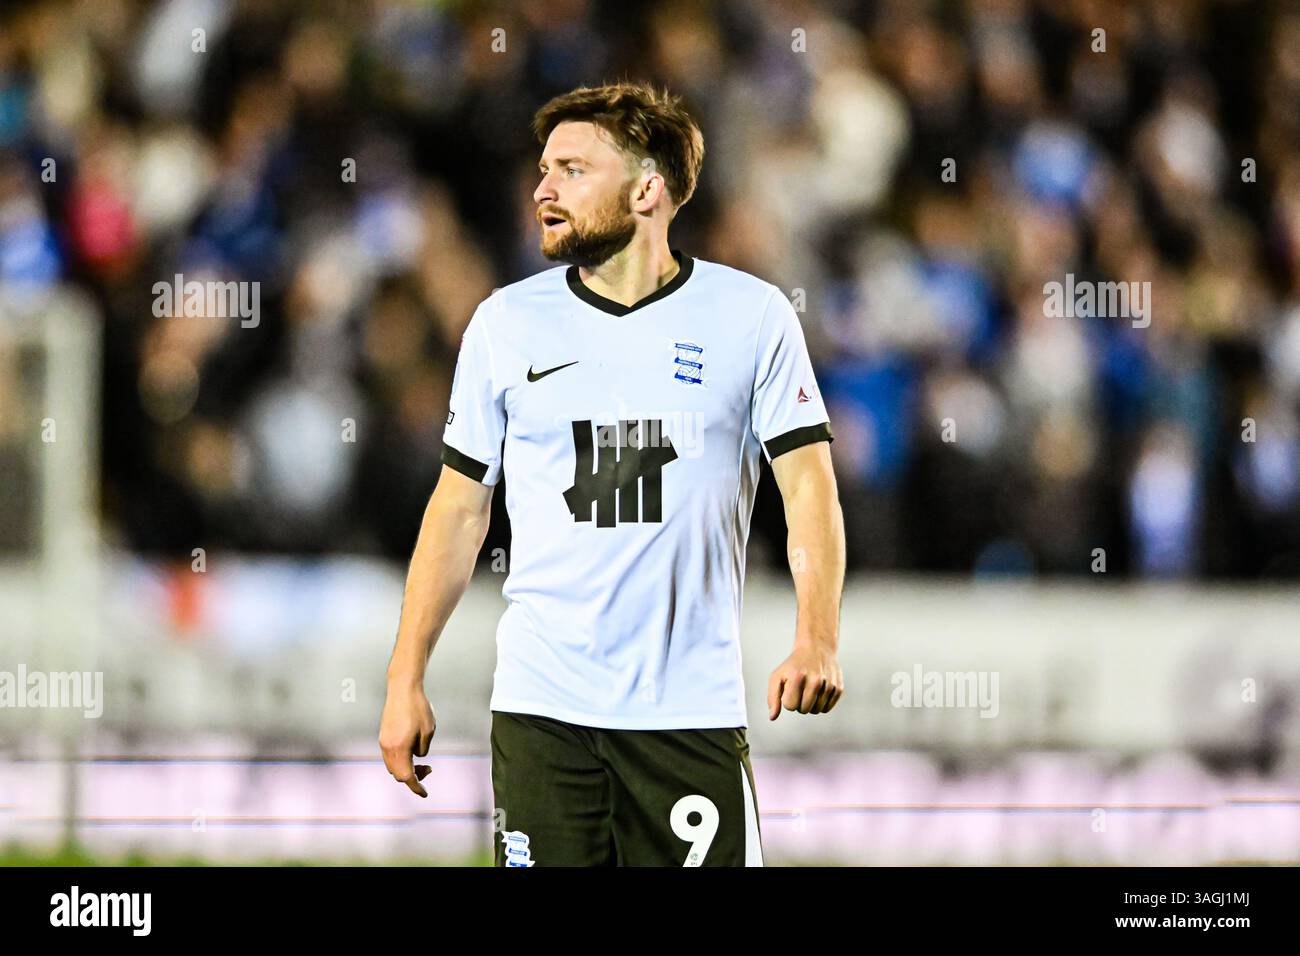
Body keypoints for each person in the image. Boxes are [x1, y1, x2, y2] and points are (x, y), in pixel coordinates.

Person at [380, 81, 845, 866]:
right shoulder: (505, 324)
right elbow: (460, 510)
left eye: (571, 169)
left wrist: (818, 638)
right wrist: (404, 675)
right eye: (543, 168)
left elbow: (807, 486)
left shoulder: (752, 316)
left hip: (688, 714)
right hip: (542, 711)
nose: (543, 188)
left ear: (647, 190)